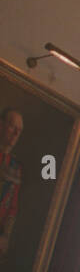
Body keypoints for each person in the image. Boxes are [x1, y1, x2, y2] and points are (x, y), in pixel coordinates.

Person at [0, 108, 23, 260]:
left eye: (19, 131)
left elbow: (12, 206)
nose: (15, 134)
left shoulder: (15, 166)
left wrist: (5, 236)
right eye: (12, 127)